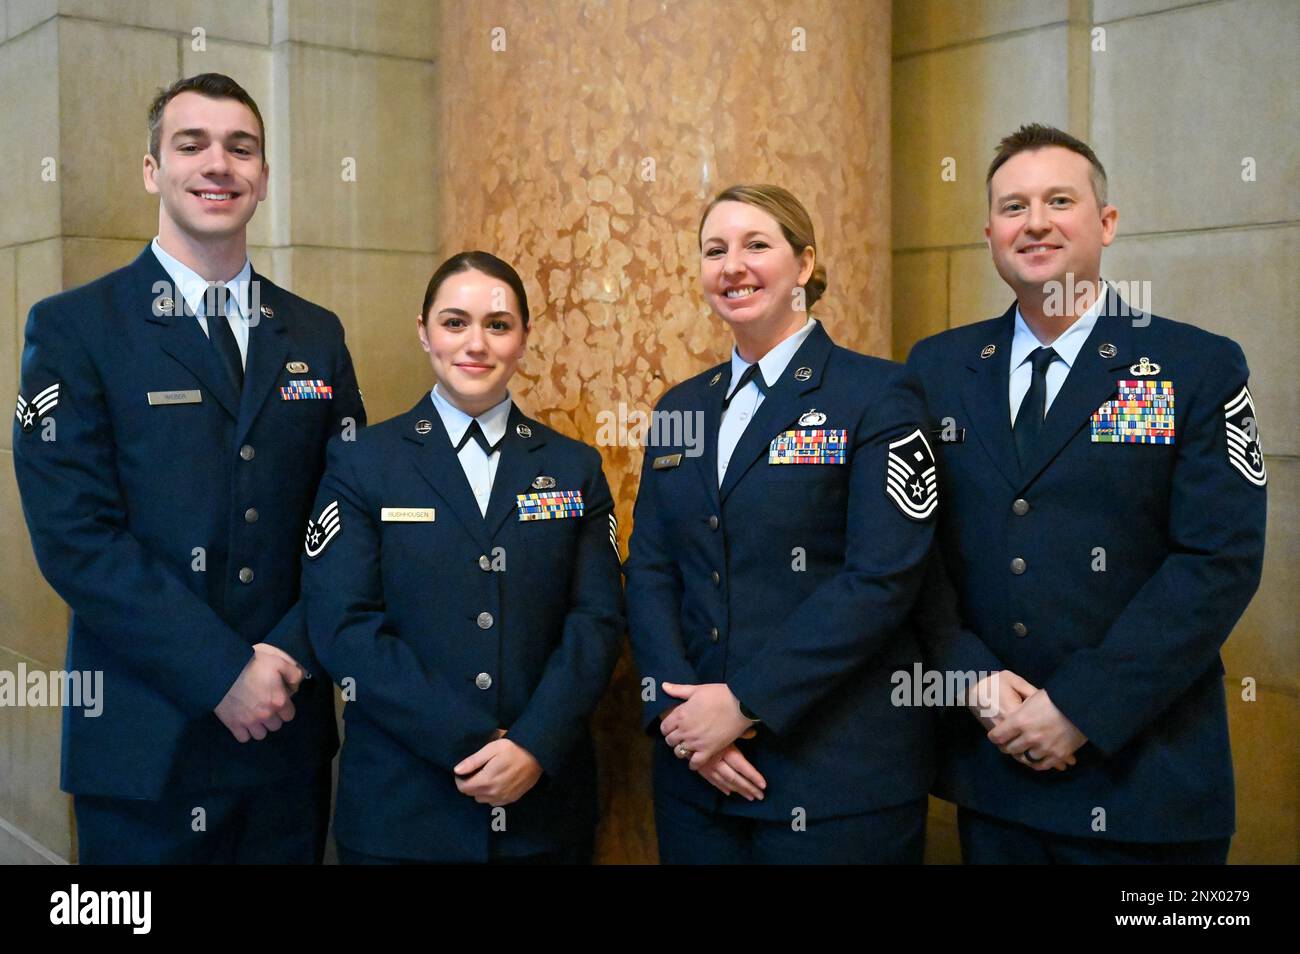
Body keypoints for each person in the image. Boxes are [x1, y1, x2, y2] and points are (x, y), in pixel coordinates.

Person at [11, 73, 365, 863]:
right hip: (143, 745)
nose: (219, 164)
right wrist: (222, 671)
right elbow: (76, 539)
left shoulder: (314, 334)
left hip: (286, 732)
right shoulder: (74, 328)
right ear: (151, 169)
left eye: (241, 148)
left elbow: (347, 519)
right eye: (191, 144)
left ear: (263, 177)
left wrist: (286, 656)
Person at [907, 124, 1267, 863]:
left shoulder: (1193, 366)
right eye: (1013, 207)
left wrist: (1080, 706)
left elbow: (1217, 561)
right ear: (990, 234)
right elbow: (915, 553)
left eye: (1058, 200)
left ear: (1105, 223)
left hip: (1147, 781)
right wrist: (969, 679)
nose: (1034, 222)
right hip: (993, 770)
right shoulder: (937, 368)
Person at [624, 185, 938, 864]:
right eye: (715, 251)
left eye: (755, 245)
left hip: (835, 777)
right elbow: (650, 568)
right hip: (698, 777)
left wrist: (745, 702)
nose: (732, 266)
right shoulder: (682, 407)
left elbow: (881, 578)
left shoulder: (877, 393)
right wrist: (680, 719)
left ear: (804, 265)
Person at [300, 250, 624, 864]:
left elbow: (597, 622)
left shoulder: (572, 468)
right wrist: (470, 741)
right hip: (403, 808)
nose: (475, 343)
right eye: (454, 323)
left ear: (524, 339)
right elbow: (345, 627)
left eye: (498, 325)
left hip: (542, 808)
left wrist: (532, 744)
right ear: (423, 331)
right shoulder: (364, 463)